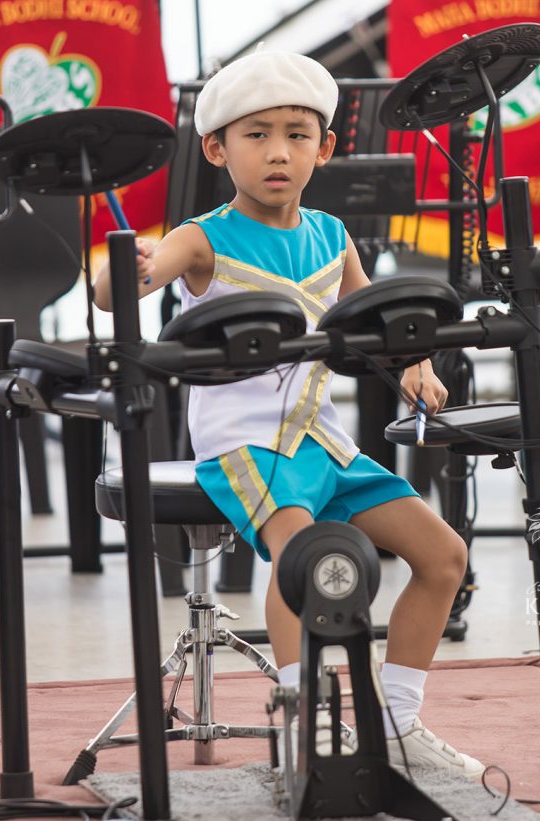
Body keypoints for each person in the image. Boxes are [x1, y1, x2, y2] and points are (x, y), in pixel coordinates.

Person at [95, 50, 483, 779]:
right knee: (301, 560)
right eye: (257, 135)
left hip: (323, 443)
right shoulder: (201, 238)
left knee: (444, 557)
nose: (279, 152)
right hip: (244, 443)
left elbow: (379, 321)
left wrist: (415, 362)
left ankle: (398, 725)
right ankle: (310, 731)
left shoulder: (333, 236)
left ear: (325, 147)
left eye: (297, 135)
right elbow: (118, 292)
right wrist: (124, 268)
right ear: (217, 149)